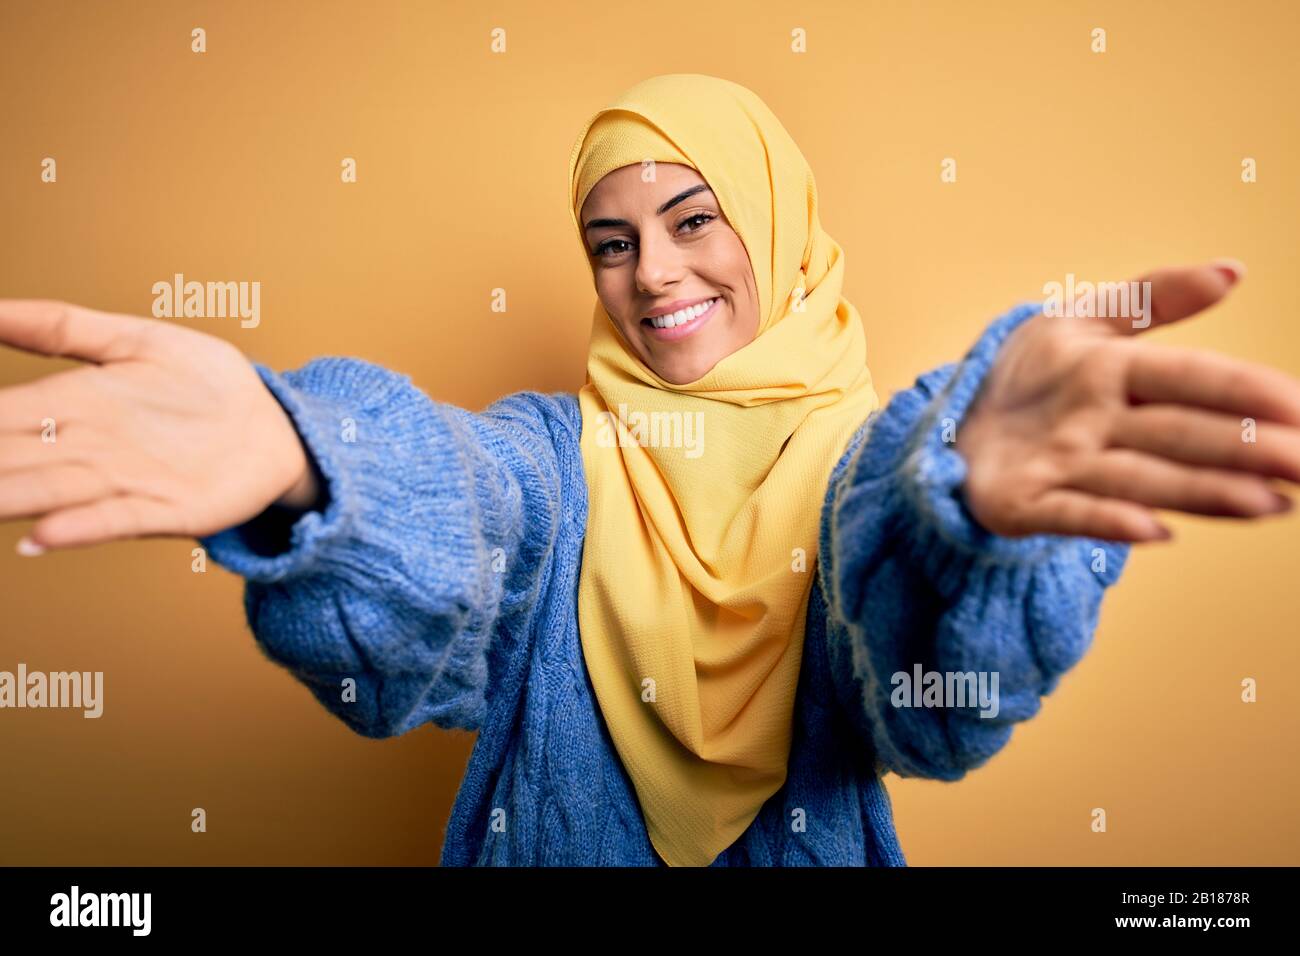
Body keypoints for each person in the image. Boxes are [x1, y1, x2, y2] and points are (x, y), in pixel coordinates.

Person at [2, 74, 1297, 867]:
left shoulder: (874, 470)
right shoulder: (557, 462)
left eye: (693, 221)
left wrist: (962, 521)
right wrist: (309, 458)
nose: (655, 277)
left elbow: (925, 708)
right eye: (611, 243)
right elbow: (471, 501)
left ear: (778, 226)